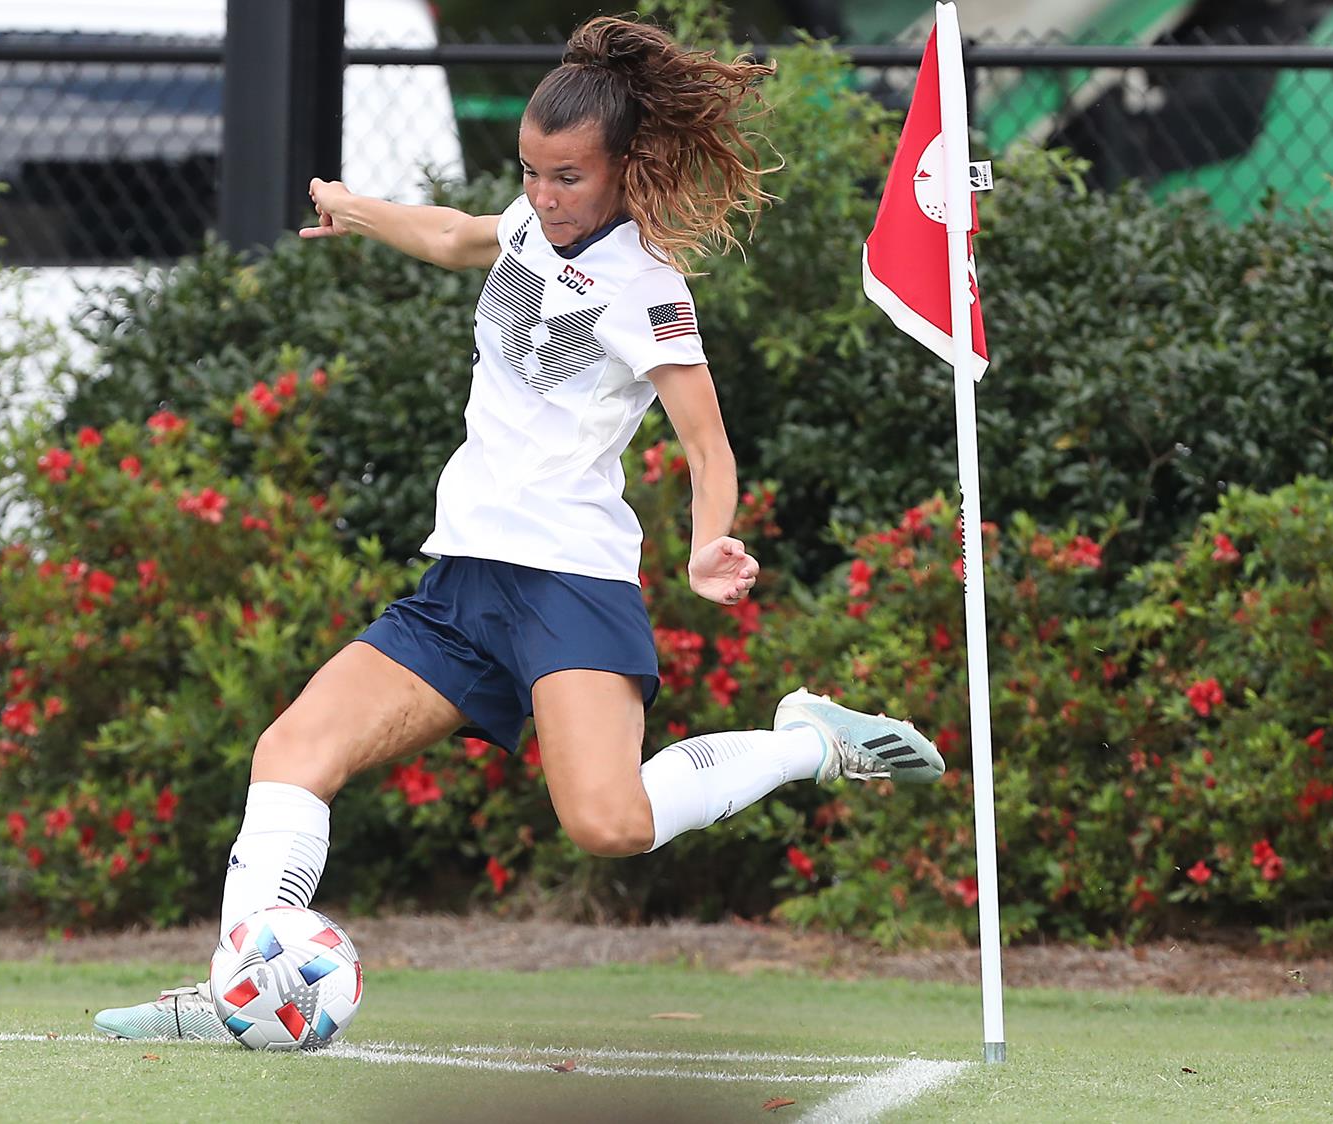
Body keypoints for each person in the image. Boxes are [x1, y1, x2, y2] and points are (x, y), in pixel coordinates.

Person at [93, 15, 942, 1043]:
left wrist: (705, 542)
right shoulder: (526, 223)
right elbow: (457, 234)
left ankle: (804, 739)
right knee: (289, 749)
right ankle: (236, 986)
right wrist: (355, 209)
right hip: (460, 585)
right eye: (532, 173)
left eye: (568, 177)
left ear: (625, 168)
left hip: (565, 587)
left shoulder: (650, 293)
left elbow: (708, 450)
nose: (544, 195)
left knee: (609, 822)